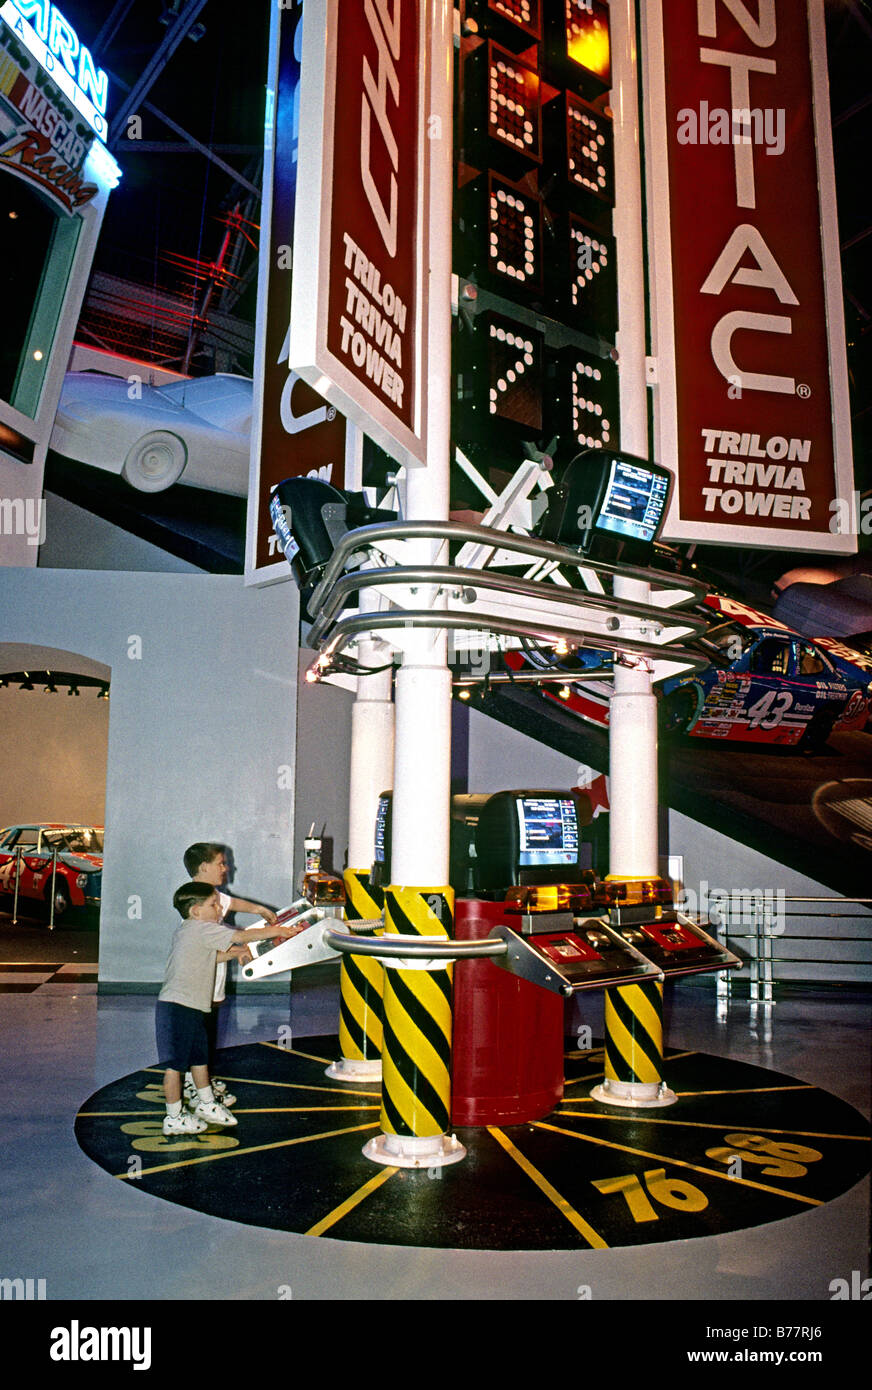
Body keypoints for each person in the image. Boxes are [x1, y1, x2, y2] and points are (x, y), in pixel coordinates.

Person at [157, 881, 296, 1135]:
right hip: (179, 1007)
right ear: (195, 911)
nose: (219, 907)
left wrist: (237, 953)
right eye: (213, 904)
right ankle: (173, 1117)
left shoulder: (190, 930)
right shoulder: (203, 928)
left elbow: (214, 956)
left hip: (191, 1005)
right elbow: (241, 936)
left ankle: (207, 1104)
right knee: (175, 1066)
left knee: (199, 1057)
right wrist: (281, 930)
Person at [182, 841, 278, 1109]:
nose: (226, 868)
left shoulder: (211, 897)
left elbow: (232, 902)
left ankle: (201, 1079)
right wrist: (245, 946)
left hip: (213, 984)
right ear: (203, 867)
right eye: (221, 864)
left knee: (209, 1034)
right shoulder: (199, 906)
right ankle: (195, 1085)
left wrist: (259, 909)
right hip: (198, 986)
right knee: (199, 1037)